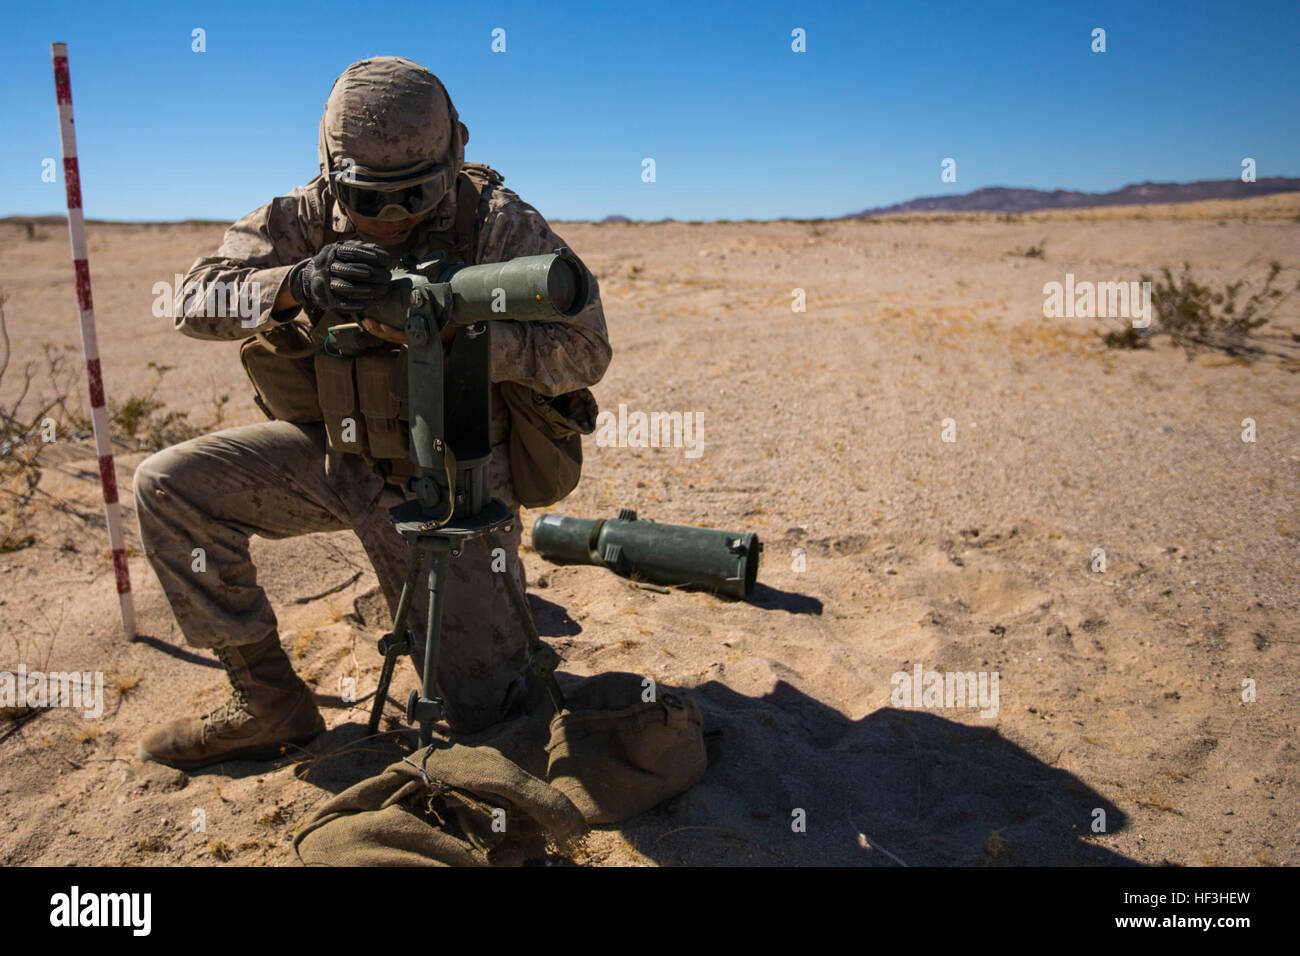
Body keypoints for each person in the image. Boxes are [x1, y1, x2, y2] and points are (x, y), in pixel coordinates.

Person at [133, 56, 610, 770]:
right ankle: (268, 702)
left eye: (416, 194)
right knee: (169, 485)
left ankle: (477, 619)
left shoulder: (498, 225)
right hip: (337, 456)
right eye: (366, 197)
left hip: (457, 484)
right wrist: (294, 284)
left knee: (491, 718)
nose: (392, 218)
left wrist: (468, 335)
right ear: (330, 174)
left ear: (455, 158)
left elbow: (585, 352)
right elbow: (192, 301)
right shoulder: (297, 217)